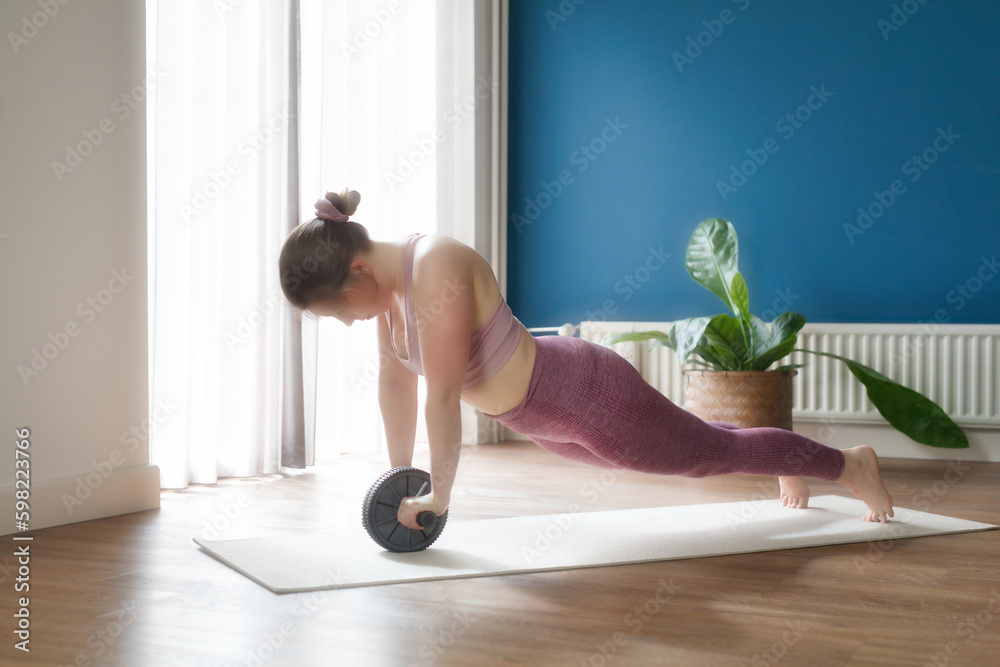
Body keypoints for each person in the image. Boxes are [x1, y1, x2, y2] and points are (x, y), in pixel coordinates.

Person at [279, 188, 894, 529]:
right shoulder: (386, 300)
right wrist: (399, 480)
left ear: (356, 268)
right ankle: (783, 453)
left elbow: (440, 394)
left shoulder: (433, 265)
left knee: (705, 457)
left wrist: (439, 497)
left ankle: (848, 464)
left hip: (583, 395)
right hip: (547, 420)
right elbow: (396, 388)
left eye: (335, 310)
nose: (342, 321)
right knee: (701, 441)